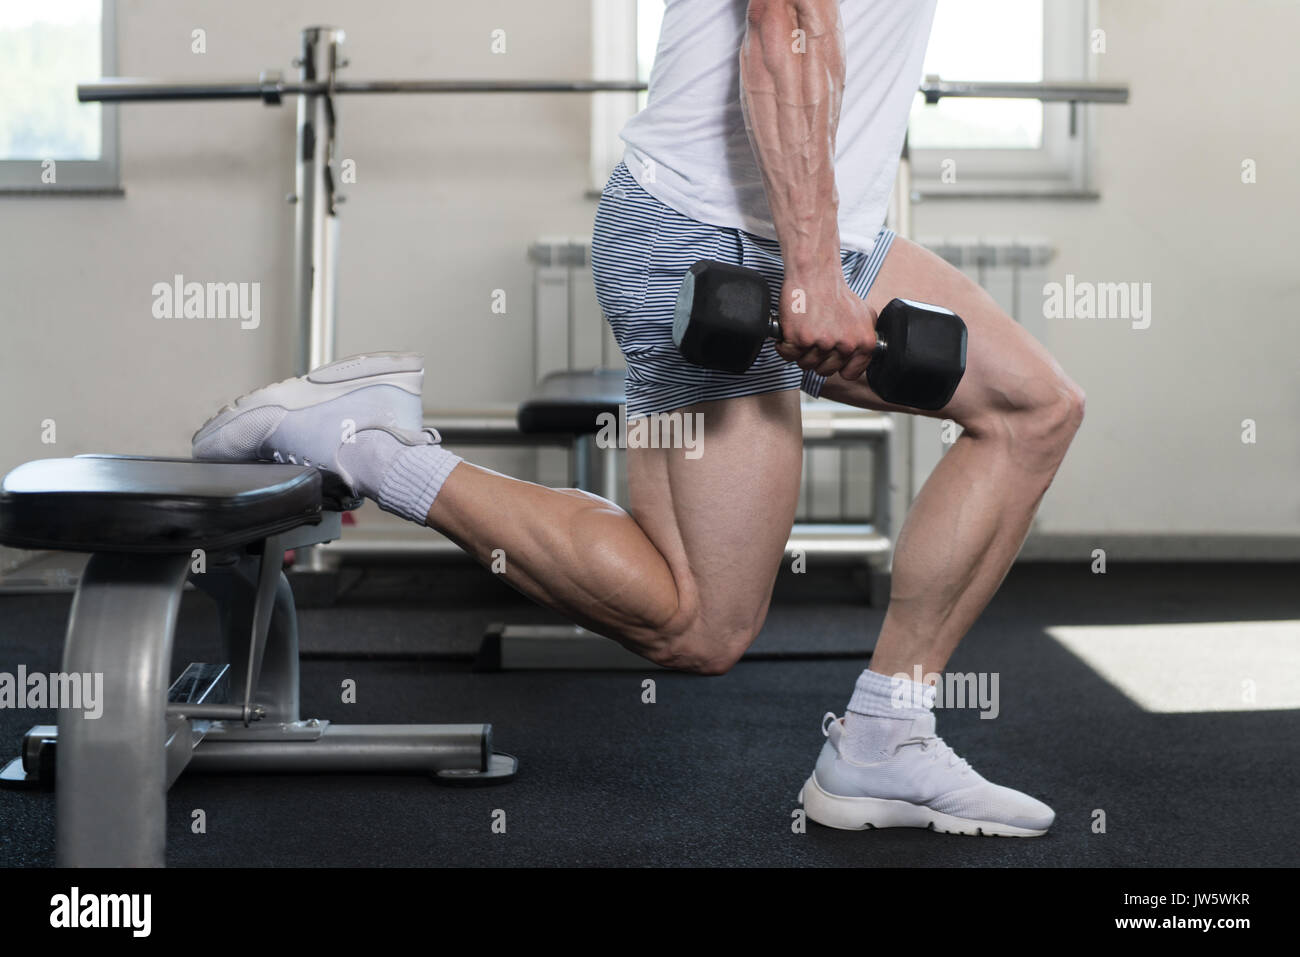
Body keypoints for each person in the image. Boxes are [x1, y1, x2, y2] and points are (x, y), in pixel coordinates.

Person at [193, 0, 1083, 837]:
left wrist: (823, 251)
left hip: (819, 236)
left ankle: (886, 737)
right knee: (698, 626)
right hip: (712, 235)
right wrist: (811, 267)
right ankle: (374, 446)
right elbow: (787, 22)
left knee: (1033, 410)